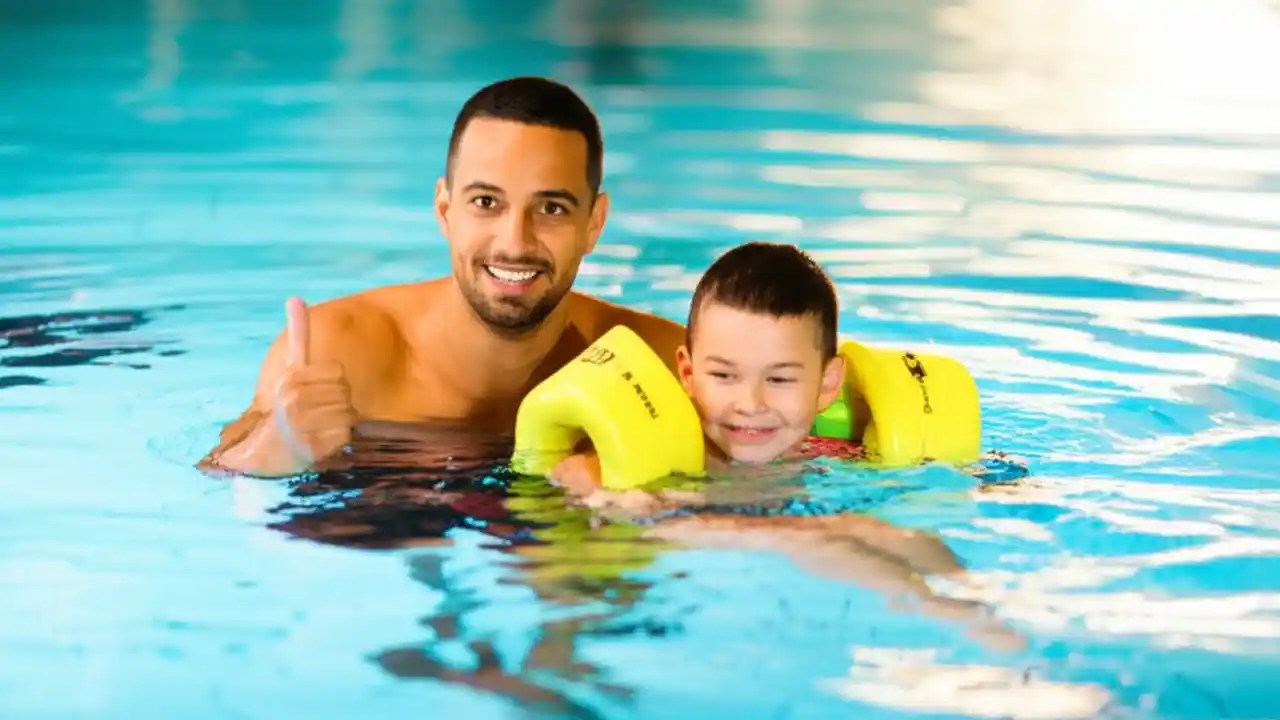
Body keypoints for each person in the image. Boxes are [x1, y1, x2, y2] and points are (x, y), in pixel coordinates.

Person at [199, 76, 684, 478]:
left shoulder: (662, 364)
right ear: (444, 209)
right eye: (486, 203)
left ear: (594, 223)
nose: (515, 242)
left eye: (551, 208)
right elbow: (217, 474)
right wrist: (272, 449)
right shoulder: (334, 356)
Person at [551, 240, 855, 495]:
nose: (750, 405)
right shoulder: (650, 464)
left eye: (779, 379)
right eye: (724, 375)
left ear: (828, 383)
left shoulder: (844, 462)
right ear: (688, 374)